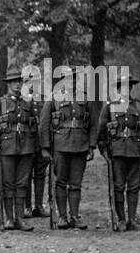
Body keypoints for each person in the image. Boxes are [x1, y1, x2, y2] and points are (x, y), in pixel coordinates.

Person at [39, 66, 97, 229]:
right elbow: (44, 125)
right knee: (61, 181)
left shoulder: (86, 98)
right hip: (60, 145)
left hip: (80, 145)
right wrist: (45, 147)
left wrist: (92, 146)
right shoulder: (53, 98)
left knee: (76, 183)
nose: (70, 81)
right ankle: (62, 217)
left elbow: (93, 124)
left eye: (73, 78)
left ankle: (74, 216)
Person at [97, 74, 140, 232]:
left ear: (130, 88)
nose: (125, 89)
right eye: (121, 87)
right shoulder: (109, 107)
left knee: (134, 187)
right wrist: (103, 151)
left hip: (136, 151)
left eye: (128, 86)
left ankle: (132, 219)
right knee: (118, 186)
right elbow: (101, 131)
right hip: (117, 152)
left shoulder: (139, 106)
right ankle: (121, 219)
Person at [0, 68, 39, 231]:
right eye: (13, 81)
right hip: (6, 148)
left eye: (19, 81)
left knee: (22, 183)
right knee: (7, 184)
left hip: (25, 148)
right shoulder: (0, 103)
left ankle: (19, 218)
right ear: (8, 84)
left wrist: (34, 148)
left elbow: (34, 126)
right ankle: (8, 218)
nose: (16, 84)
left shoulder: (28, 102)